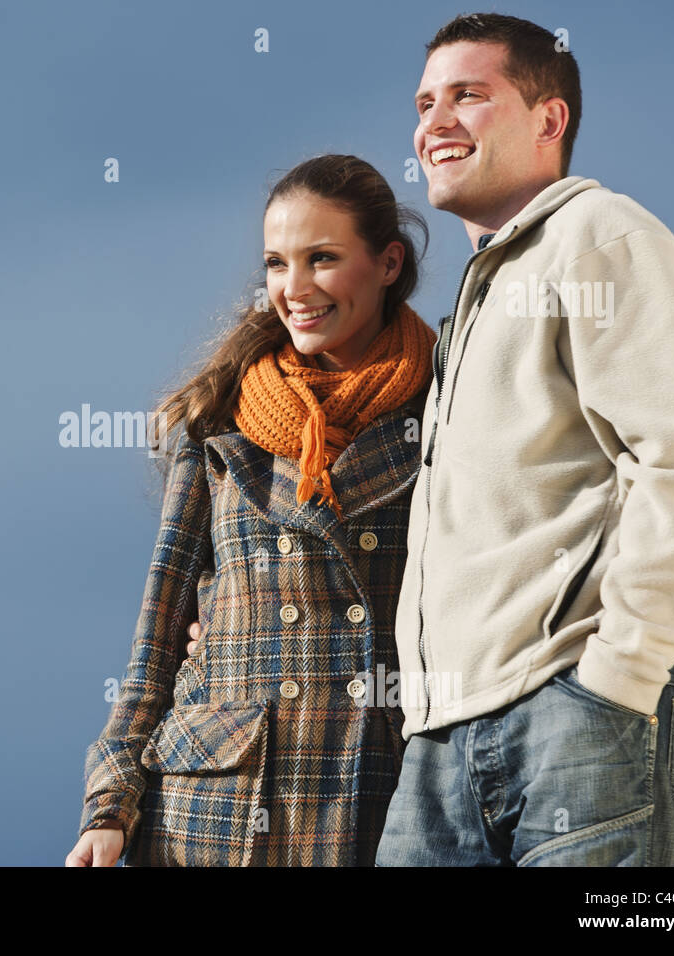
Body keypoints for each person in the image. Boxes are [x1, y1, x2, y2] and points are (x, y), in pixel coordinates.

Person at [362, 13, 674, 865]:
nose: (434, 123)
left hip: (573, 719)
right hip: (437, 745)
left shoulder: (599, 234)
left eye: (470, 95)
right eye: (425, 103)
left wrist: (616, 681)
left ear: (549, 120)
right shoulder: (474, 301)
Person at [66, 154, 436, 866]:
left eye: (321, 259)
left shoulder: (446, 406)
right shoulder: (219, 423)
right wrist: (108, 804)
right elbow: (159, 637)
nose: (293, 290)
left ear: (388, 262)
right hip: (218, 808)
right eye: (276, 263)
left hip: (379, 791)